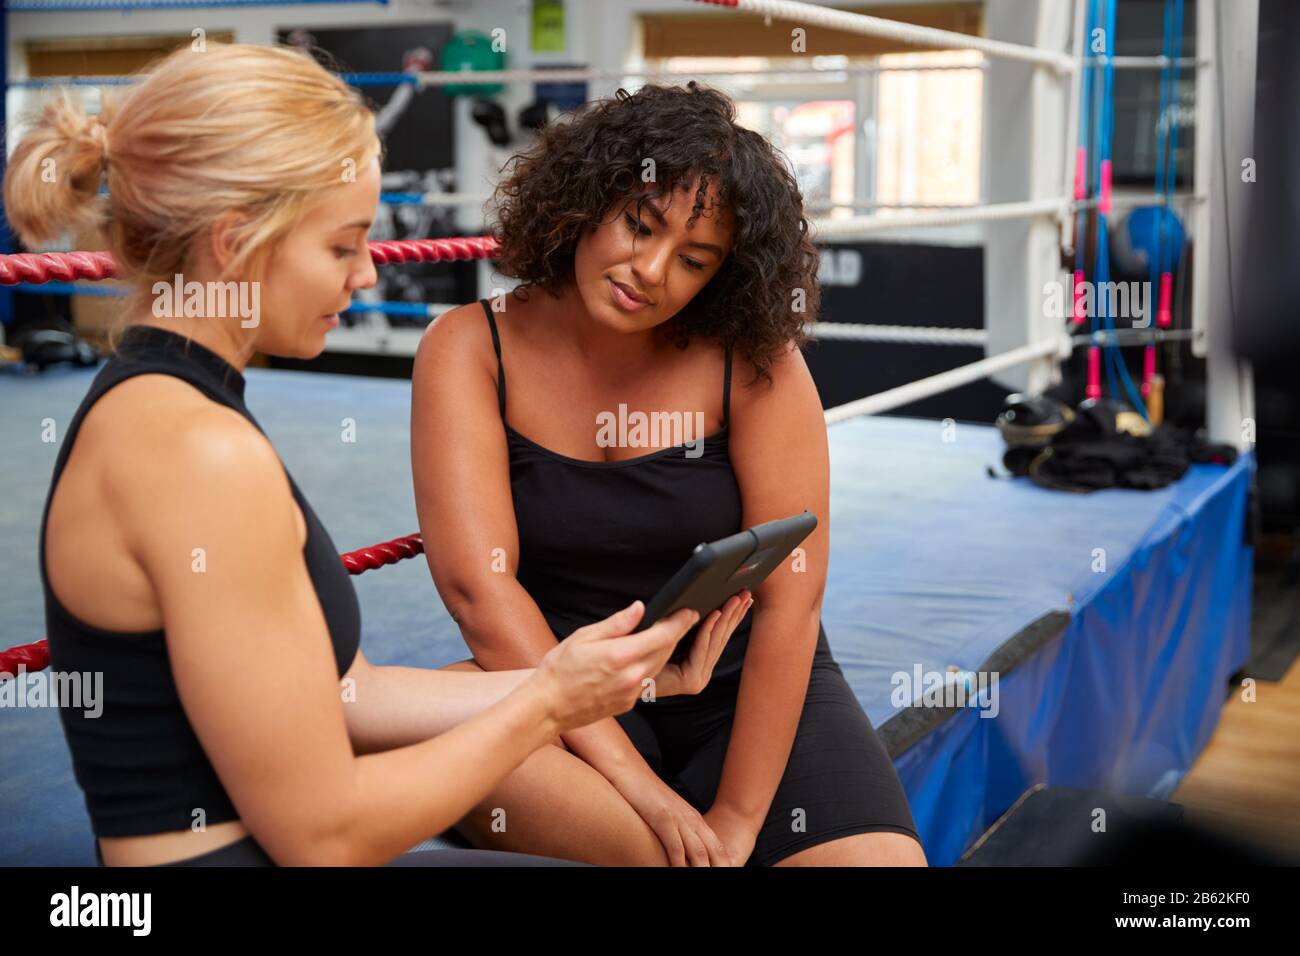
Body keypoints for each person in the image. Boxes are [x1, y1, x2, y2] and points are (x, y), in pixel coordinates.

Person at [3, 43, 745, 867]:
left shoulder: (162, 401)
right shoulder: (195, 450)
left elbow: (343, 694)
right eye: (341, 245)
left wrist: (579, 683)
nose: (365, 276)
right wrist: (544, 710)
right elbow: (323, 834)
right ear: (233, 243)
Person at [412, 83, 927, 867]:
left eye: (692, 260)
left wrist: (739, 818)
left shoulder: (754, 361)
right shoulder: (470, 347)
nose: (649, 271)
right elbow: (479, 593)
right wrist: (638, 787)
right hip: (564, 683)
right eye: (639, 225)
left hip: (743, 686)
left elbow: (794, 594)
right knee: (462, 742)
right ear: (585, 200)